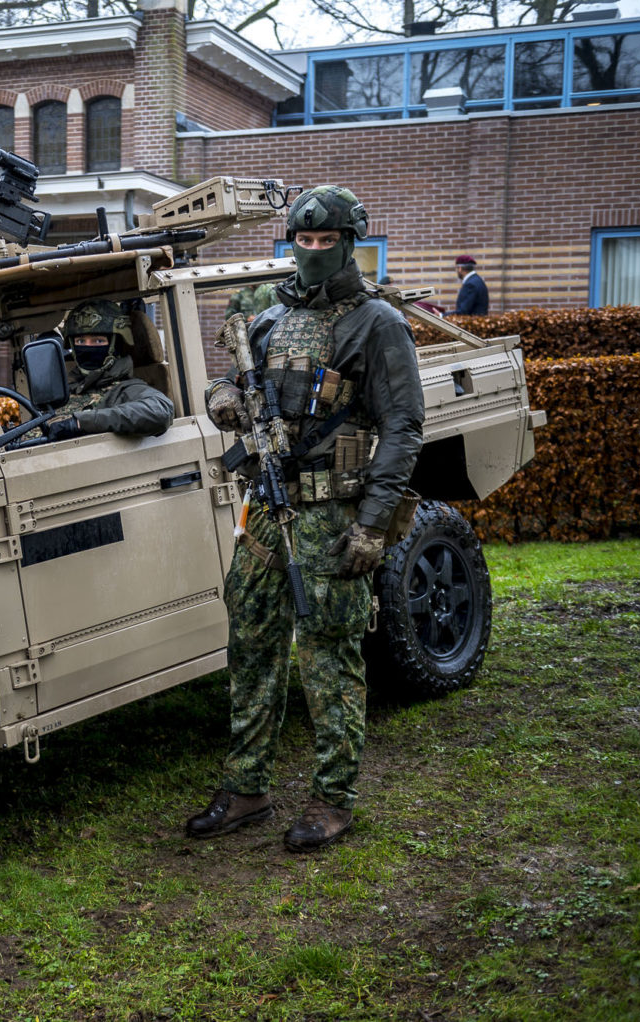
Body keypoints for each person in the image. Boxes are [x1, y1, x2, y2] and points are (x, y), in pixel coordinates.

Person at [189, 185, 424, 852]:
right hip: (265, 513)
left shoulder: (377, 324)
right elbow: (221, 380)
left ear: (351, 244)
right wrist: (224, 398)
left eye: (327, 242)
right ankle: (247, 787)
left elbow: (404, 428)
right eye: (306, 240)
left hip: (332, 516)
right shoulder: (266, 315)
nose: (315, 252)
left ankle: (333, 799)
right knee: (252, 648)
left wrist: (374, 525)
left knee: (329, 661)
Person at [42, 299, 175, 440]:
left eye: (98, 341)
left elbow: (160, 410)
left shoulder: (126, 389)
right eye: (80, 341)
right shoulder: (66, 391)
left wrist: (81, 423)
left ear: (115, 345)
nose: (88, 348)